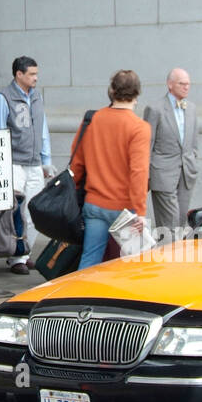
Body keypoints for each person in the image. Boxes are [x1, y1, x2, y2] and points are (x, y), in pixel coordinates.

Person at [69, 70, 150, 270]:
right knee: (135, 265)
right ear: (137, 94)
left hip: (94, 203)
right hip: (125, 208)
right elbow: (138, 172)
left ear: (112, 91)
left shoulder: (92, 120)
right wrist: (140, 211)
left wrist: (74, 193)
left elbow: (76, 163)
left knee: (90, 261)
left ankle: (80, 298)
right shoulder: (139, 128)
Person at [0, 55, 52, 275]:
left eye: (36, 73)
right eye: (32, 74)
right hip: (13, 163)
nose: (36, 78)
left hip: (34, 162)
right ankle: (16, 256)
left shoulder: (36, 97)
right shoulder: (3, 98)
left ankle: (24, 252)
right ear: (19, 74)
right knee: (16, 212)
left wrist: (46, 160)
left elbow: (42, 129)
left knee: (35, 212)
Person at [142, 67, 199, 234]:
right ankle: (168, 257)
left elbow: (194, 141)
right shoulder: (155, 109)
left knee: (180, 222)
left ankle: (174, 256)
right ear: (170, 85)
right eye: (182, 83)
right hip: (162, 173)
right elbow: (146, 144)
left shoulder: (192, 108)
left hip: (187, 172)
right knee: (169, 224)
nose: (186, 87)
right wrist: (146, 173)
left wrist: (194, 160)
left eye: (188, 84)